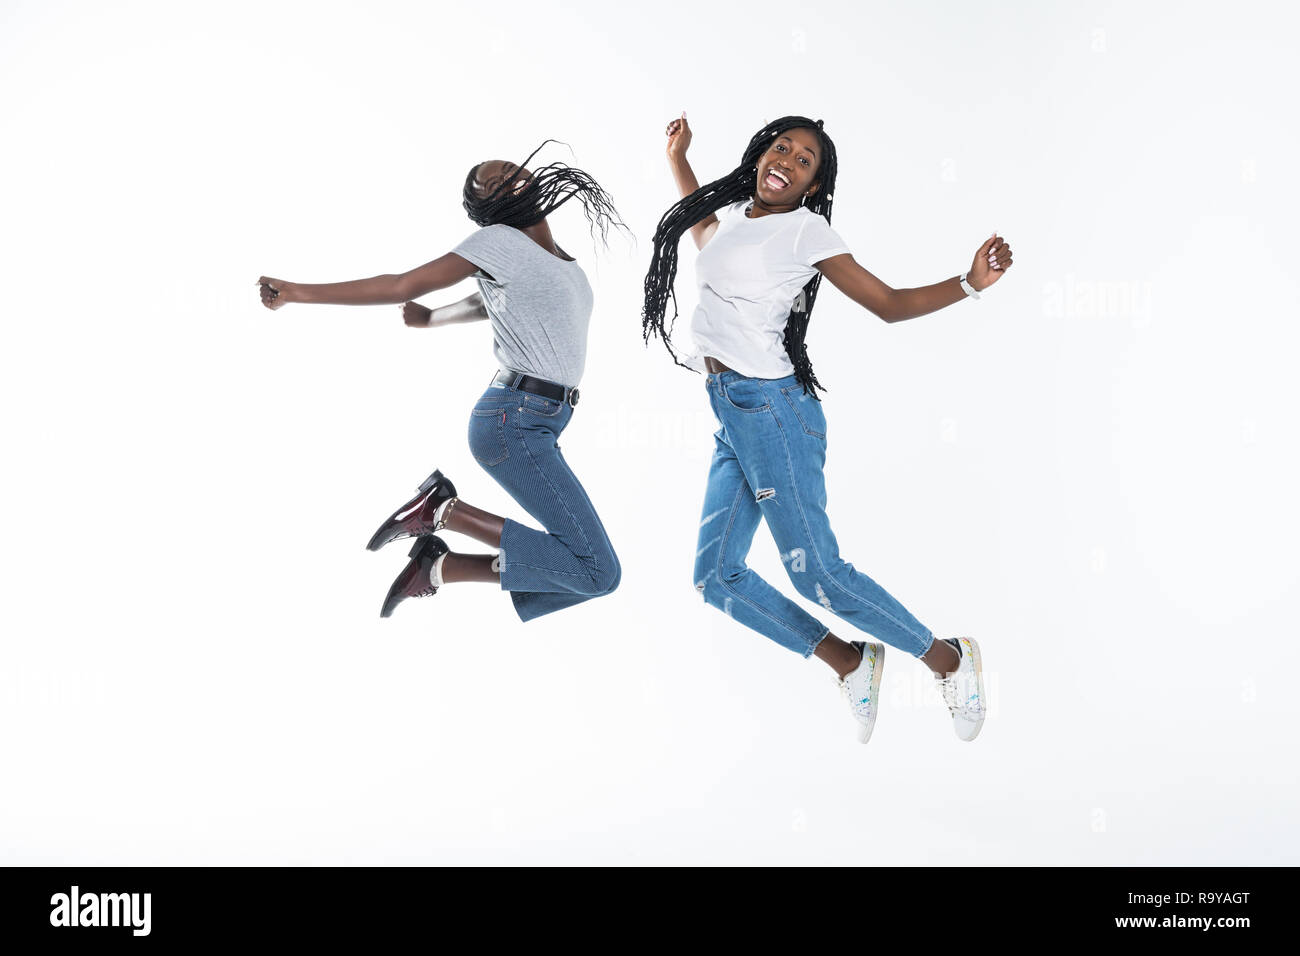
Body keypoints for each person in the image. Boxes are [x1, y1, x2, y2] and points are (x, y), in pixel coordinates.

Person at [642, 112, 1013, 743]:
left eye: (804, 159)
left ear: (813, 184)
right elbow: (704, 231)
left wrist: (968, 285)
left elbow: (888, 305)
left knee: (816, 571)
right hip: (732, 411)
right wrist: (679, 159)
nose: (786, 159)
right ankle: (850, 661)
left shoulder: (806, 231)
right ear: (760, 155)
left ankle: (949, 658)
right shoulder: (739, 224)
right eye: (780, 147)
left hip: (773, 415)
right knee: (716, 577)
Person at [258, 140, 627, 621]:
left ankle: (438, 567)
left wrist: (433, 320)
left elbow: (492, 304)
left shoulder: (559, 261)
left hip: (544, 421)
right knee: (598, 572)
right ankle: (444, 513)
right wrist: (297, 292)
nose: (510, 177)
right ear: (491, 212)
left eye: (510, 169)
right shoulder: (498, 242)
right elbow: (400, 284)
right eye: (494, 184)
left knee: (586, 571)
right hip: (512, 421)